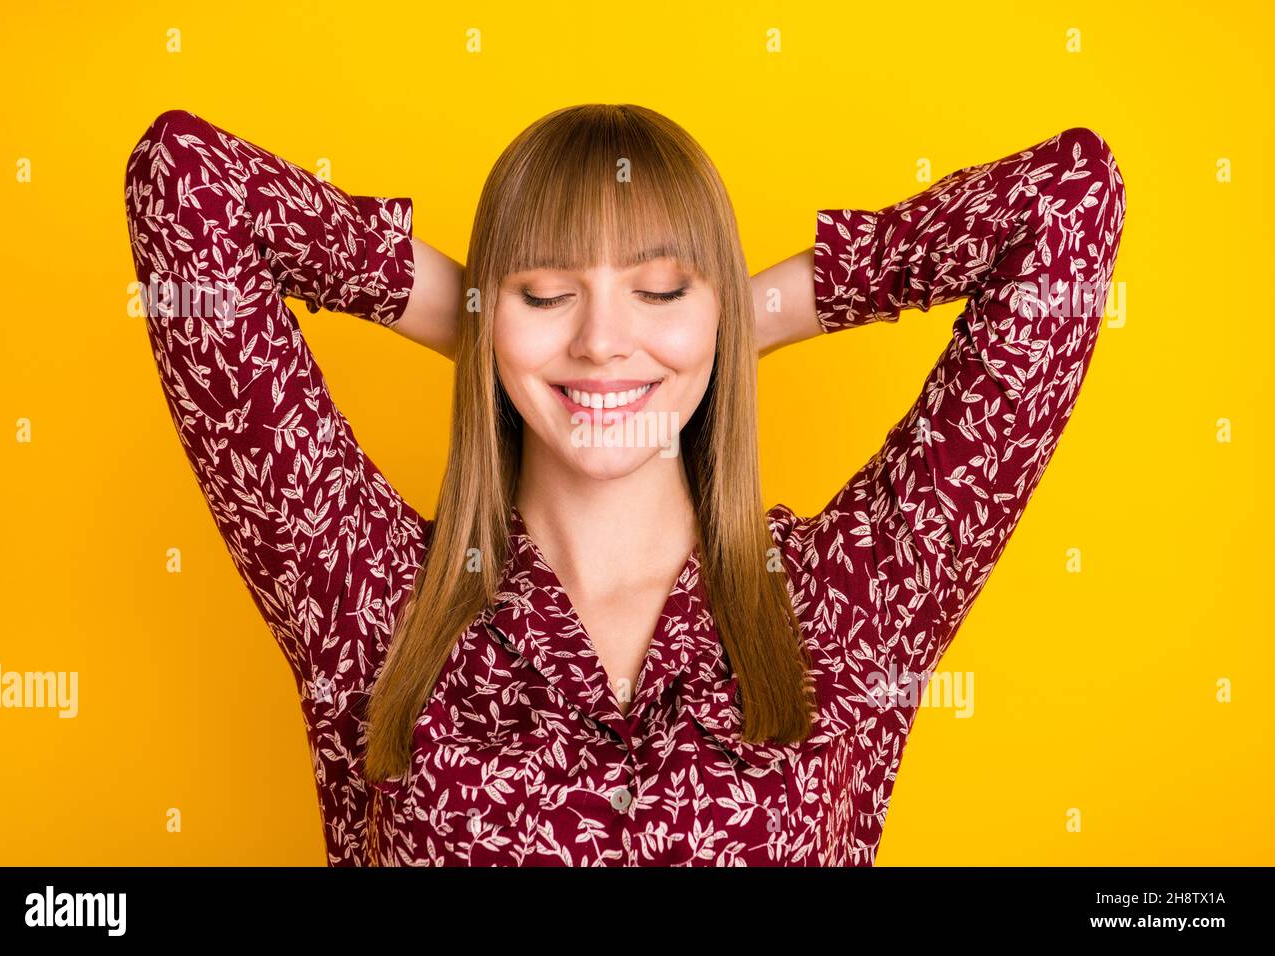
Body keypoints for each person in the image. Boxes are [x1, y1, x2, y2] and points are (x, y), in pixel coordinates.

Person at [123, 106, 1126, 866]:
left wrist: (742, 318)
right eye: (547, 291)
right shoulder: (370, 591)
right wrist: (481, 327)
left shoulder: (847, 601)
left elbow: (1066, 202)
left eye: (658, 290)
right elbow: (185, 183)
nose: (602, 340)